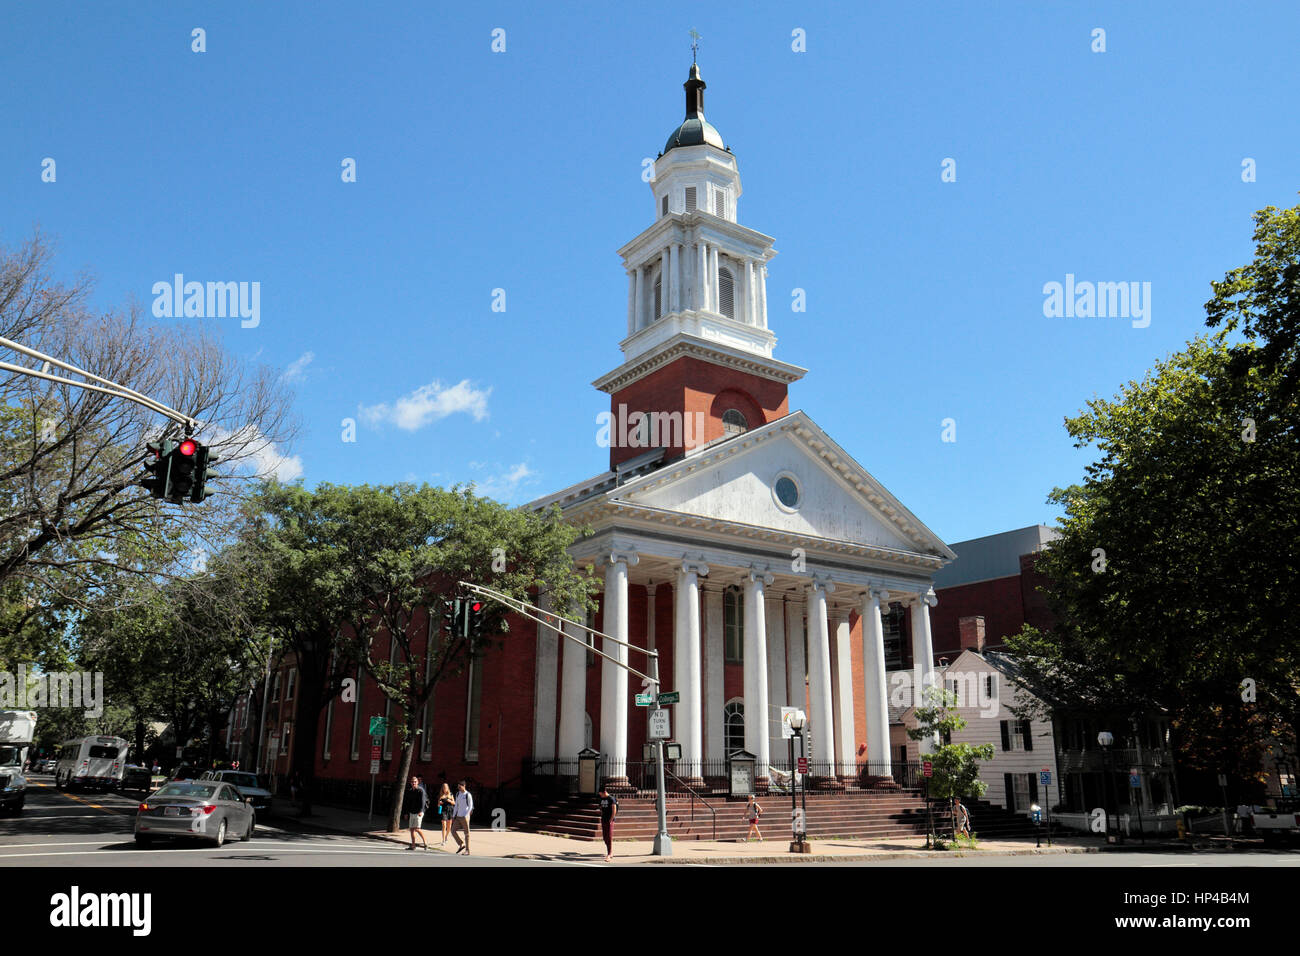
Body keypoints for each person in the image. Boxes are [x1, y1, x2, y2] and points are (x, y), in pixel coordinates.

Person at [404, 775, 429, 850]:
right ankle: (413, 845)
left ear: (417, 782)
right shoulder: (410, 791)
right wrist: (406, 813)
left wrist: (421, 811)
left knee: (417, 829)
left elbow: (423, 802)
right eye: (412, 782)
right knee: (411, 829)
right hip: (412, 812)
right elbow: (407, 803)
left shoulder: (420, 790)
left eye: (415, 782)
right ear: (410, 783)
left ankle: (425, 843)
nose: (413, 783)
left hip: (419, 812)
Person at [451, 780, 474, 855]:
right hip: (458, 816)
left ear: (464, 786)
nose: (459, 788)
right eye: (458, 787)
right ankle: (461, 844)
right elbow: (456, 806)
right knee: (453, 830)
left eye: (460, 787)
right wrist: (453, 815)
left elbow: (470, 806)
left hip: (465, 817)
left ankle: (467, 850)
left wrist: (466, 815)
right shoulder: (458, 794)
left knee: (467, 834)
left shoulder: (468, 795)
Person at [598, 783, 618, 862]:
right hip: (603, 819)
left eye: (601, 794)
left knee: (609, 836)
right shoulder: (602, 799)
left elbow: (614, 810)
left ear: (604, 792)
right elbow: (600, 807)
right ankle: (610, 851)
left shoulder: (611, 799)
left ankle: (609, 854)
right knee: (605, 837)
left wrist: (611, 819)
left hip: (609, 820)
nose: (600, 796)